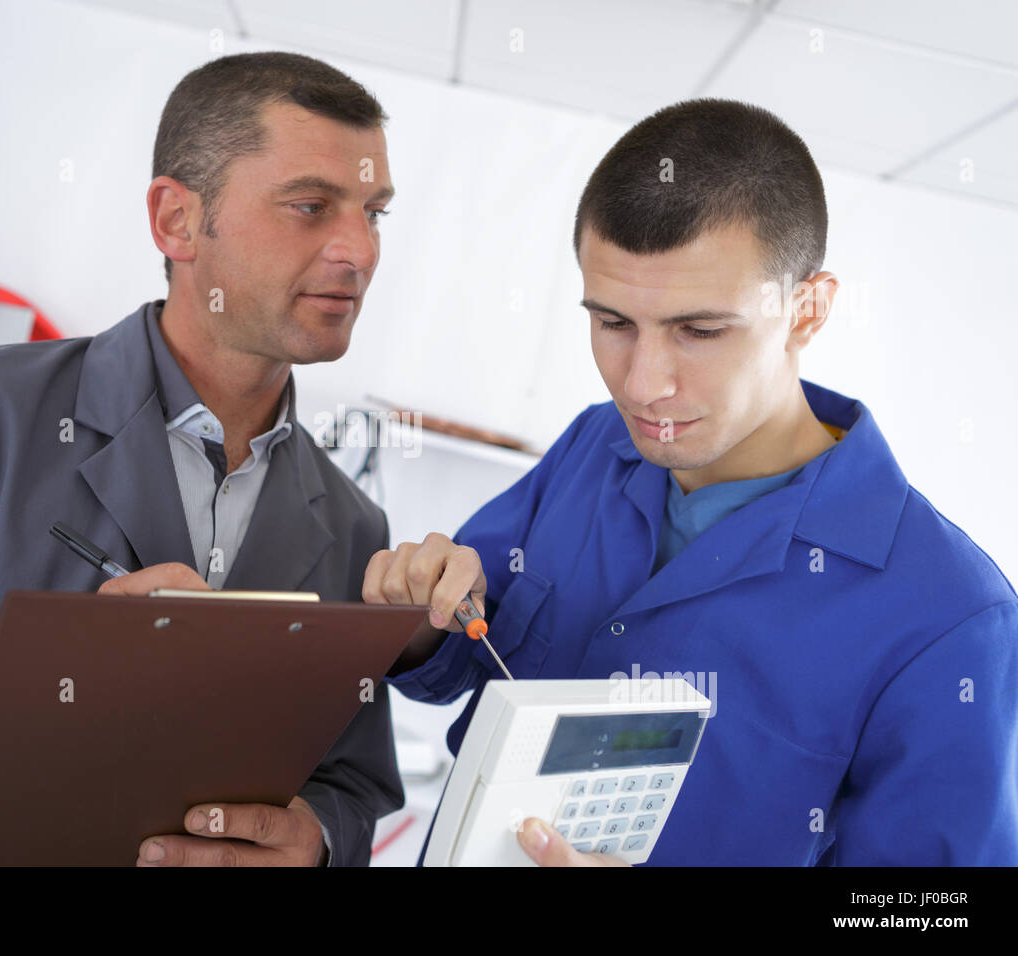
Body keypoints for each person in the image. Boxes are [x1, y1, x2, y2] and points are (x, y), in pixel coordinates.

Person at [366, 98, 1018, 866]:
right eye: (612, 323)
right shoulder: (593, 445)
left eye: (700, 331)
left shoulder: (950, 618)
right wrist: (416, 623)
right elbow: (463, 661)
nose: (643, 386)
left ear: (807, 311)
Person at [0, 51, 400, 867]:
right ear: (175, 221)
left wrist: (319, 842)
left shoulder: (352, 524)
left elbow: (351, 786)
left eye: (375, 212)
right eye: (311, 205)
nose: (360, 251)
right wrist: (54, 686)